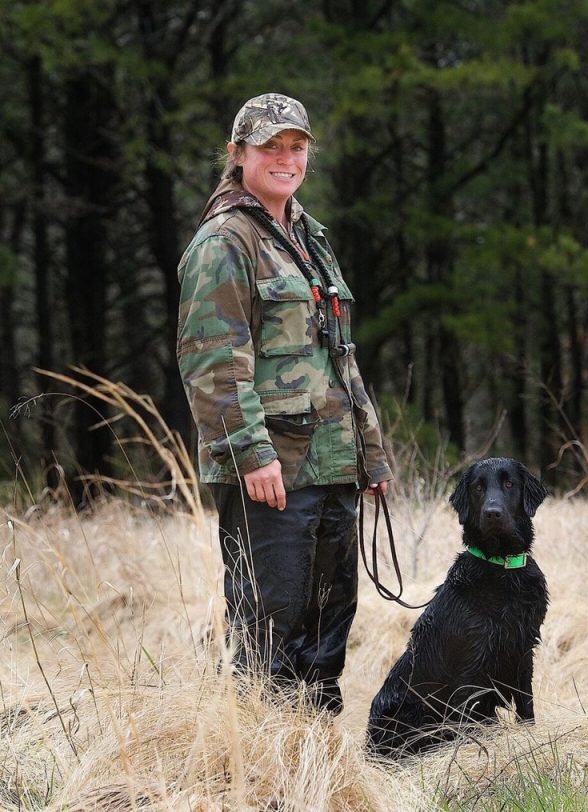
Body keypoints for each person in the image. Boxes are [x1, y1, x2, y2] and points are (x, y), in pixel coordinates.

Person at [177, 93, 393, 713]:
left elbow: (338, 356)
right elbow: (213, 359)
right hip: (271, 472)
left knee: (328, 625)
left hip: (330, 464)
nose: (285, 158)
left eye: (296, 147)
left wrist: (369, 455)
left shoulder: (306, 236)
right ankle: (258, 774)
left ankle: (315, 769)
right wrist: (250, 453)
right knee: (270, 626)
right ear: (237, 153)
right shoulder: (226, 241)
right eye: (270, 146)